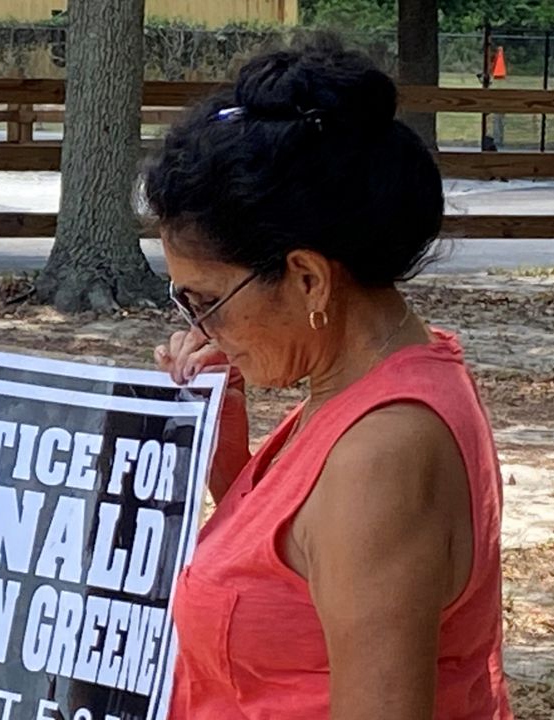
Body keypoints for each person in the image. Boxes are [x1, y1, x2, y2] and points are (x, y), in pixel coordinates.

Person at [147, 41, 513, 719]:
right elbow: (295, 563)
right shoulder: (358, 389)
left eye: (206, 300)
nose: (198, 327)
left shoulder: (383, 454)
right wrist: (227, 445)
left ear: (308, 278)